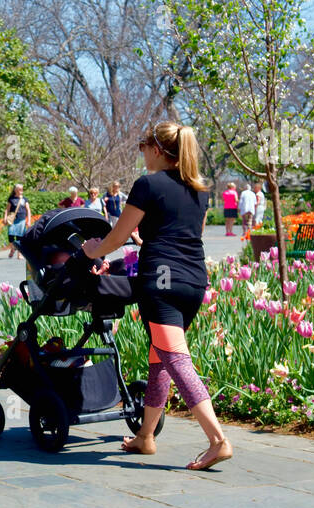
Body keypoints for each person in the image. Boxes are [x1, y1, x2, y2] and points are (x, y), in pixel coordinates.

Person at [81, 120, 233, 471]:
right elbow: (177, 233)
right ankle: (145, 436)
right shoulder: (200, 190)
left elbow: (116, 238)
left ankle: (218, 440)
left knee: (176, 360)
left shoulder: (147, 185)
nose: (142, 153)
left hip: (161, 282)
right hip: (193, 280)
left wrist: (92, 251)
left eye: (143, 146)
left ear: (157, 149)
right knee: (160, 358)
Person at [4, 184, 30, 259]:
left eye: (22, 189)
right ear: (15, 190)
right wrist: (5, 218)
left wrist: (28, 220)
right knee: (11, 236)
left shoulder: (24, 199)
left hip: (21, 220)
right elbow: (7, 209)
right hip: (13, 221)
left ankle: (19, 254)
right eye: (19, 189)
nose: (21, 190)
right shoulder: (11, 199)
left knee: (20, 237)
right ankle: (13, 248)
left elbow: (28, 210)